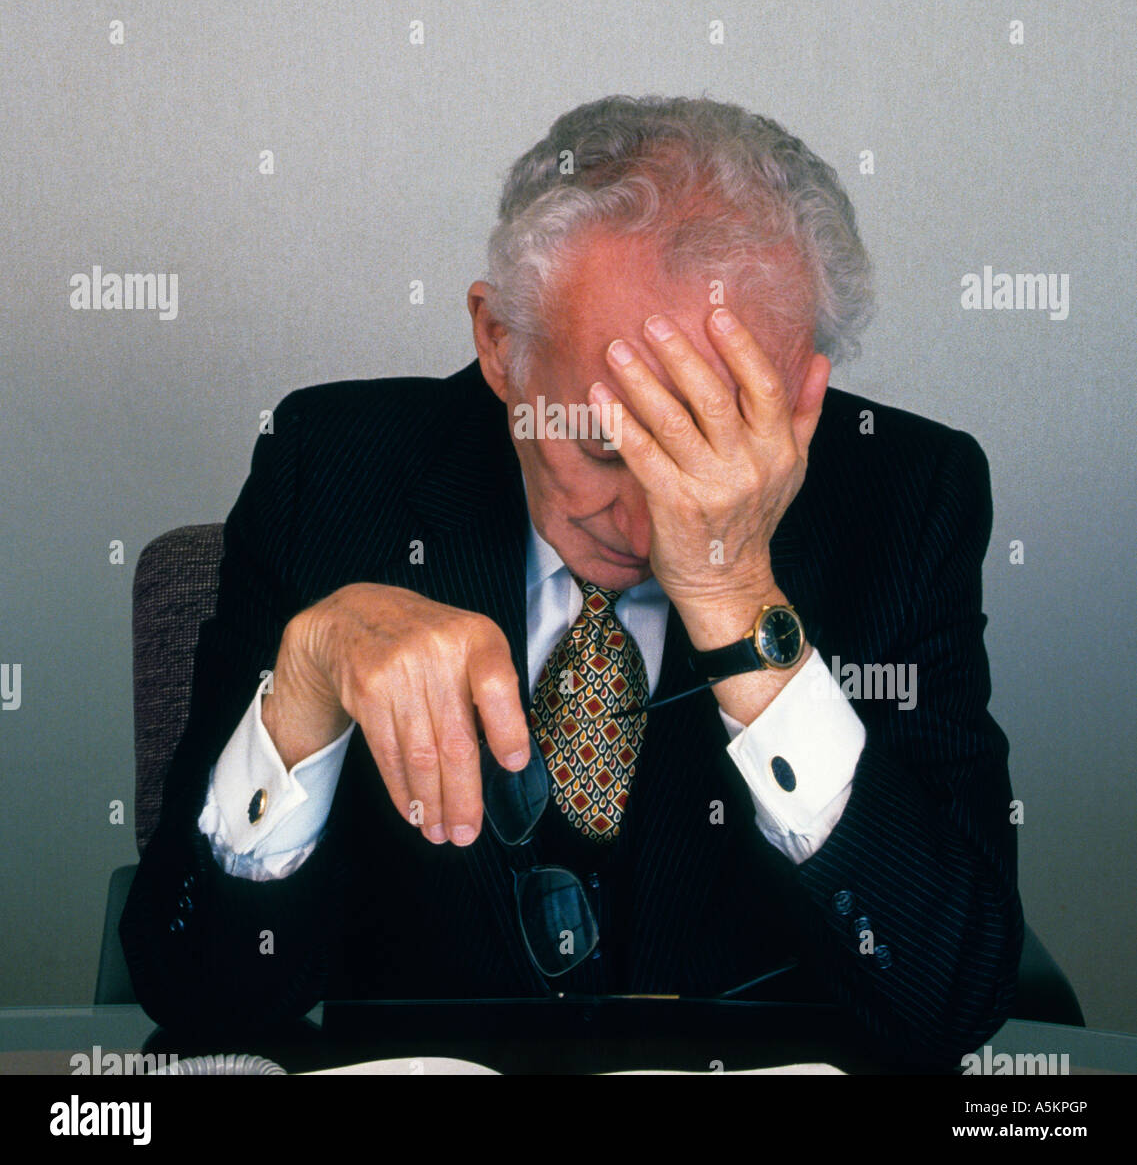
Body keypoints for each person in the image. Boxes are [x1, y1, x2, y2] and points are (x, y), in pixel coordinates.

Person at [120, 94, 1022, 1066]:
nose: (651, 522)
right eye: (602, 445)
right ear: (500, 342)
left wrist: (741, 608)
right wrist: (302, 694)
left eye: (708, 450)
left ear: (806, 389)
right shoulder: (328, 471)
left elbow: (954, 995)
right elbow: (197, 988)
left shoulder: (908, 497)